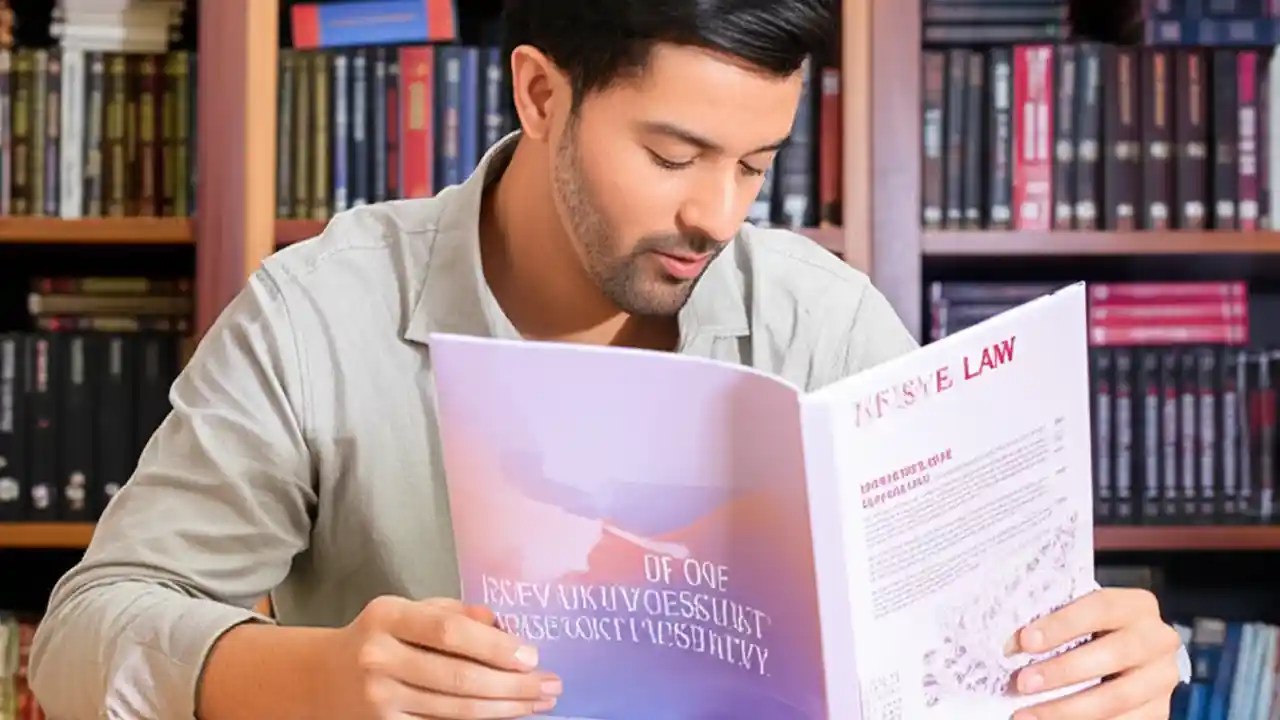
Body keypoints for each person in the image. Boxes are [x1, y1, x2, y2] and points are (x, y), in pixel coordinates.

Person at [29, 0, 1188, 718]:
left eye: (754, 163)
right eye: (674, 153)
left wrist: (1093, 671)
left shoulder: (821, 320)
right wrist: (315, 681)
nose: (717, 215)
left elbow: (942, 648)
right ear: (541, 93)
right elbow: (82, 640)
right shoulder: (318, 312)